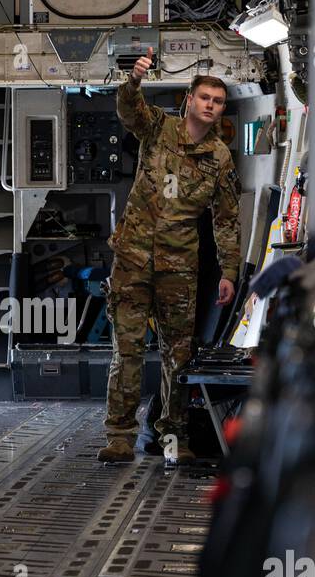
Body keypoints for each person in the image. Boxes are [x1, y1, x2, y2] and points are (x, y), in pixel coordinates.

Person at [99, 47, 243, 463]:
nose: (211, 106)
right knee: (126, 348)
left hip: (180, 268)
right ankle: (120, 436)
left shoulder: (218, 158)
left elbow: (226, 219)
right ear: (190, 100)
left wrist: (229, 271)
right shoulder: (158, 128)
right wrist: (134, 81)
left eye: (218, 102)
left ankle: (172, 437)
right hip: (133, 259)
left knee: (177, 354)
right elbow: (130, 112)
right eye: (205, 98)